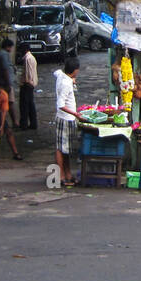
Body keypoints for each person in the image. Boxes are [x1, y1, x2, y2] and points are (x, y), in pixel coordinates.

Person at [55, 55, 83, 185]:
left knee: (66, 149)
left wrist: (72, 80)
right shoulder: (66, 83)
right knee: (61, 148)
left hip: (65, 118)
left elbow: (56, 72)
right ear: (74, 70)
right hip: (65, 118)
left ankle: (68, 174)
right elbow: (61, 104)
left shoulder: (62, 76)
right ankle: (61, 177)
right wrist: (76, 114)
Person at [19, 47, 39, 132]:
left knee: (24, 105)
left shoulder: (27, 59)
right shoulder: (31, 57)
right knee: (30, 104)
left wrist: (27, 82)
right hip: (31, 83)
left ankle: (24, 124)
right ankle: (33, 123)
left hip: (27, 84)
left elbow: (28, 73)